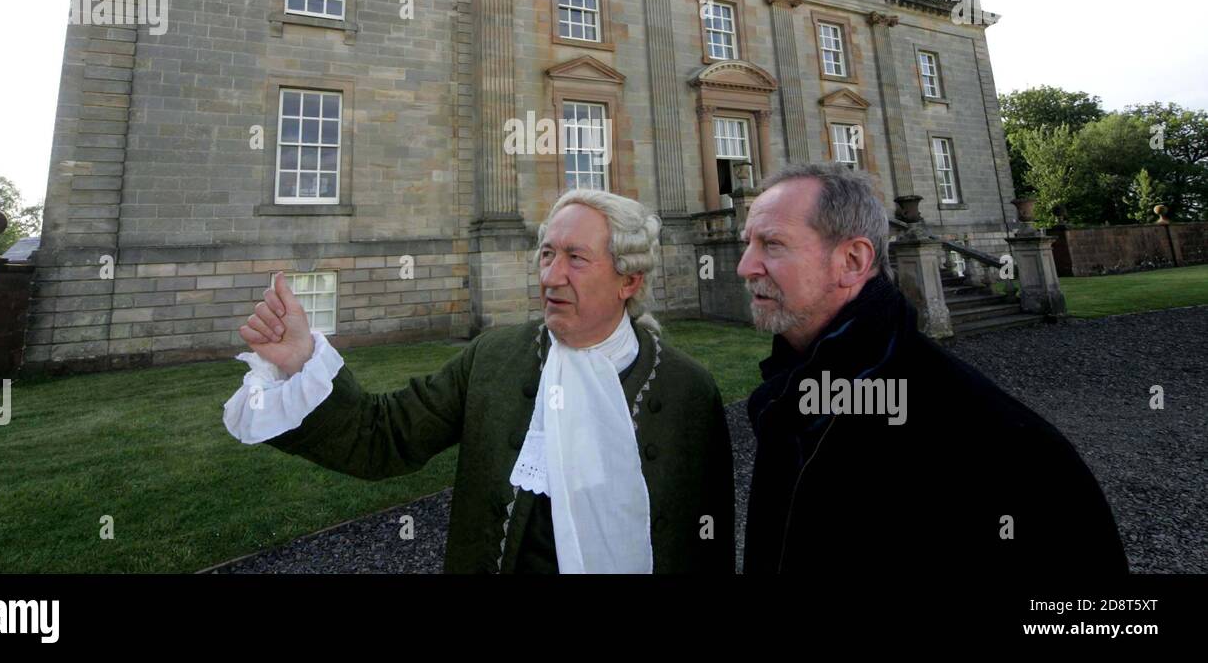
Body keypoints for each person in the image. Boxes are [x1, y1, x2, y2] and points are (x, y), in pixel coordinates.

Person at [223, 188, 734, 573]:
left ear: (629, 279)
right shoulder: (495, 357)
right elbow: (383, 437)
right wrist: (300, 360)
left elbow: (707, 541)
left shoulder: (687, 389)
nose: (551, 276)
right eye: (547, 254)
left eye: (576, 258)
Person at [737, 162, 1127, 573]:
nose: (745, 267)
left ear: (852, 260)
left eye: (772, 244)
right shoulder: (787, 393)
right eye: (747, 243)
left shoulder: (995, 438)